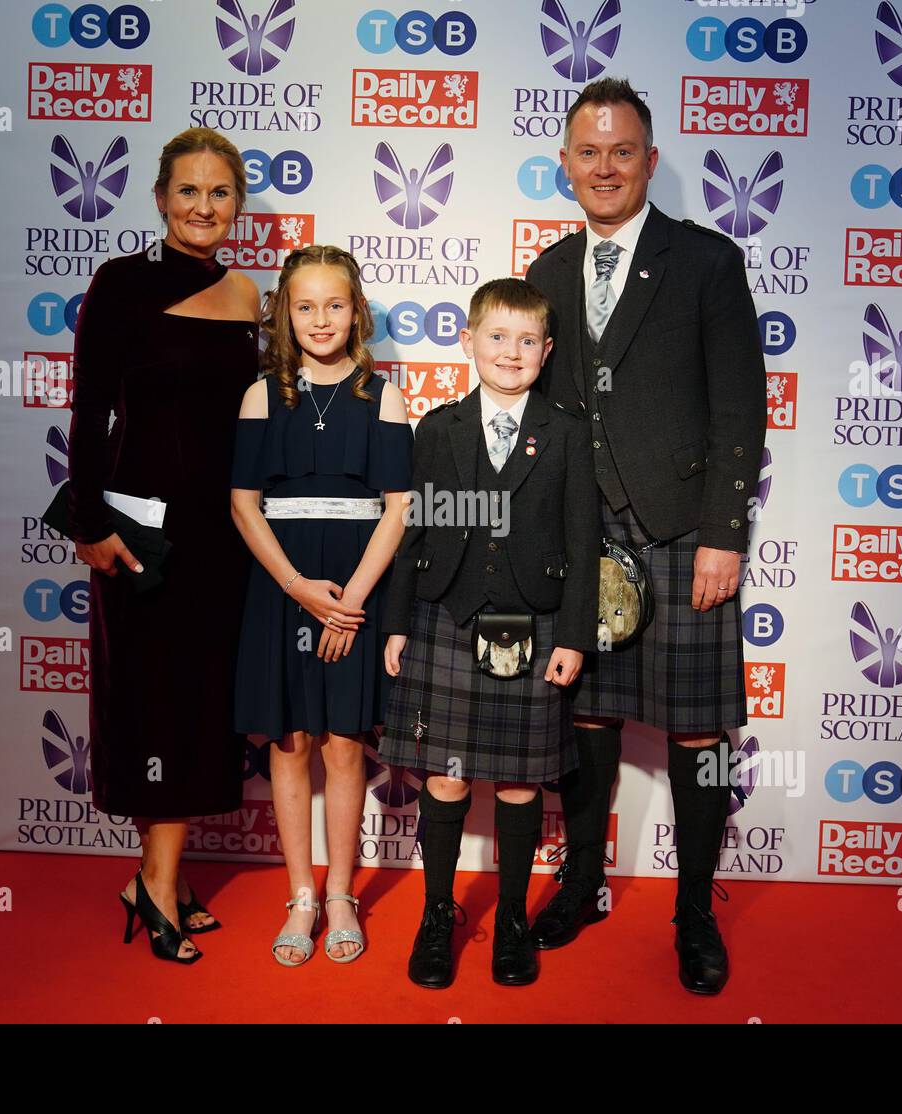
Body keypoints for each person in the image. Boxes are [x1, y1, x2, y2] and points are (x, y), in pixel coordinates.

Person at [524, 78, 767, 995]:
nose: (605, 167)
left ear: (651, 160)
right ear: (565, 166)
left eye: (622, 151)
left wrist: (723, 532)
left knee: (699, 729)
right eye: (588, 152)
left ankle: (695, 912)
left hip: (681, 533)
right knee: (582, 716)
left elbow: (740, 403)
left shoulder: (706, 260)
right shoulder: (547, 273)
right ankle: (582, 883)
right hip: (581, 535)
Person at [67, 127, 261, 964]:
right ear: (158, 198)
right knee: (152, 698)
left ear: (238, 205)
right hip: (140, 531)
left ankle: (163, 878)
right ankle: (155, 884)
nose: (204, 207)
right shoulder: (120, 285)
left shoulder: (250, 295)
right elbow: (86, 412)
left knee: (199, 702)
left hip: (222, 538)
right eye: (189, 191)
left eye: (220, 193)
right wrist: (90, 525)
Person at [380, 278, 600, 989]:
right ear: (468, 341)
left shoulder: (566, 432)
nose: (512, 352)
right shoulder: (437, 429)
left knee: (519, 780)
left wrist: (573, 635)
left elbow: (582, 535)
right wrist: (396, 622)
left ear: (547, 350)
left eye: (527, 341)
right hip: (445, 617)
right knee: (444, 778)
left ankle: (509, 919)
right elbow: (414, 529)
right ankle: (437, 915)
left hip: (532, 626)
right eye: (497, 337)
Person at [231, 246, 413, 966]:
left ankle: (342, 894)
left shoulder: (383, 396)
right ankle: (300, 896)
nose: (320, 319)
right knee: (290, 743)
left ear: (357, 311)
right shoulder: (259, 396)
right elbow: (243, 505)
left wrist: (353, 602)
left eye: (335, 304)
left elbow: (398, 508)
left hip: (354, 593)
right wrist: (297, 589)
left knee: (342, 744)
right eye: (304, 306)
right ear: (283, 313)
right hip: (284, 589)